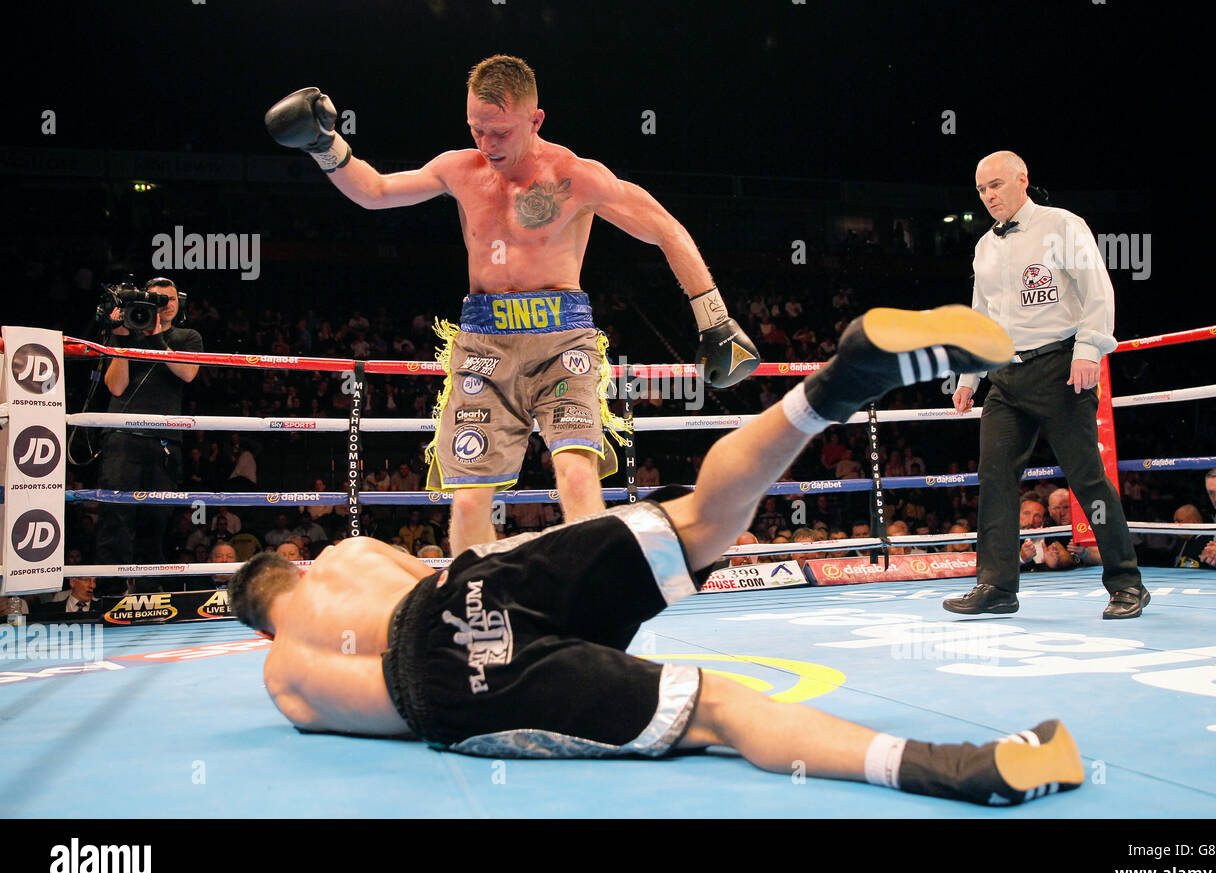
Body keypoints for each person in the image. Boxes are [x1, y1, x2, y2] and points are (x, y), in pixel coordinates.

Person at [228, 305, 1083, 806]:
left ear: (265, 629)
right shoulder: (350, 555)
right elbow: (452, 558)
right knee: (706, 519)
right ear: (298, 566)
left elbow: (343, 707)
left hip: (449, 682)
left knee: (718, 708)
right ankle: (830, 390)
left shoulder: (283, 679)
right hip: (472, 585)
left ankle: (953, 771)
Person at [266, 56, 760, 556]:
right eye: (477, 129)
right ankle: (472, 609)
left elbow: (665, 228)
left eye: (500, 132)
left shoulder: (577, 177)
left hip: (562, 341)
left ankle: (590, 598)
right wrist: (325, 146)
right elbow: (374, 192)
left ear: (535, 120)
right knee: (467, 500)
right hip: (484, 343)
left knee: (576, 473)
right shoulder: (459, 169)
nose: (487, 143)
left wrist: (715, 320)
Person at [944, 151, 1149, 619]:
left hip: (1060, 367)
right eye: (981, 189)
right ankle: (996, 586)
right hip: (1005, 375)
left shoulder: (1062, 225)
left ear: (1023, 180)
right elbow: (981, 316)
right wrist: (969, 375)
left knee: (1086, 478)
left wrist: (1087, 350)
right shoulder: (985, 246)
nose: (988, 196)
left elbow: (1097, 289)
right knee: (994, 479)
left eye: (996, 185)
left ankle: (1126, 581)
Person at [95, 277, 202, 593]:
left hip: (164, 440)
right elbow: (115, 386)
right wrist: (120, 339)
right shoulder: (126, 332)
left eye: (169, 298)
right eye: (155, 298)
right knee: (115, 517)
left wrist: (156, 335)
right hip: (122, 437)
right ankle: (110, 594)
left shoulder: (187, 337)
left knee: (156, 520)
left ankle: (149, 592)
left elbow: (188, 373)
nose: (164, 303)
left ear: (178, 302)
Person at [1043, 487, 1101, 570]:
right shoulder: (1049, 525)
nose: (1061, 513)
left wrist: (1085, 553)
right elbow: (1064, 557)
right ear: (1049, 511)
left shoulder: (1087, 520)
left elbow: (1103, 557)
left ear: (1075, 506)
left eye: (1066, 507)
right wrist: (1057, 561)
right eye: (1056, 508)